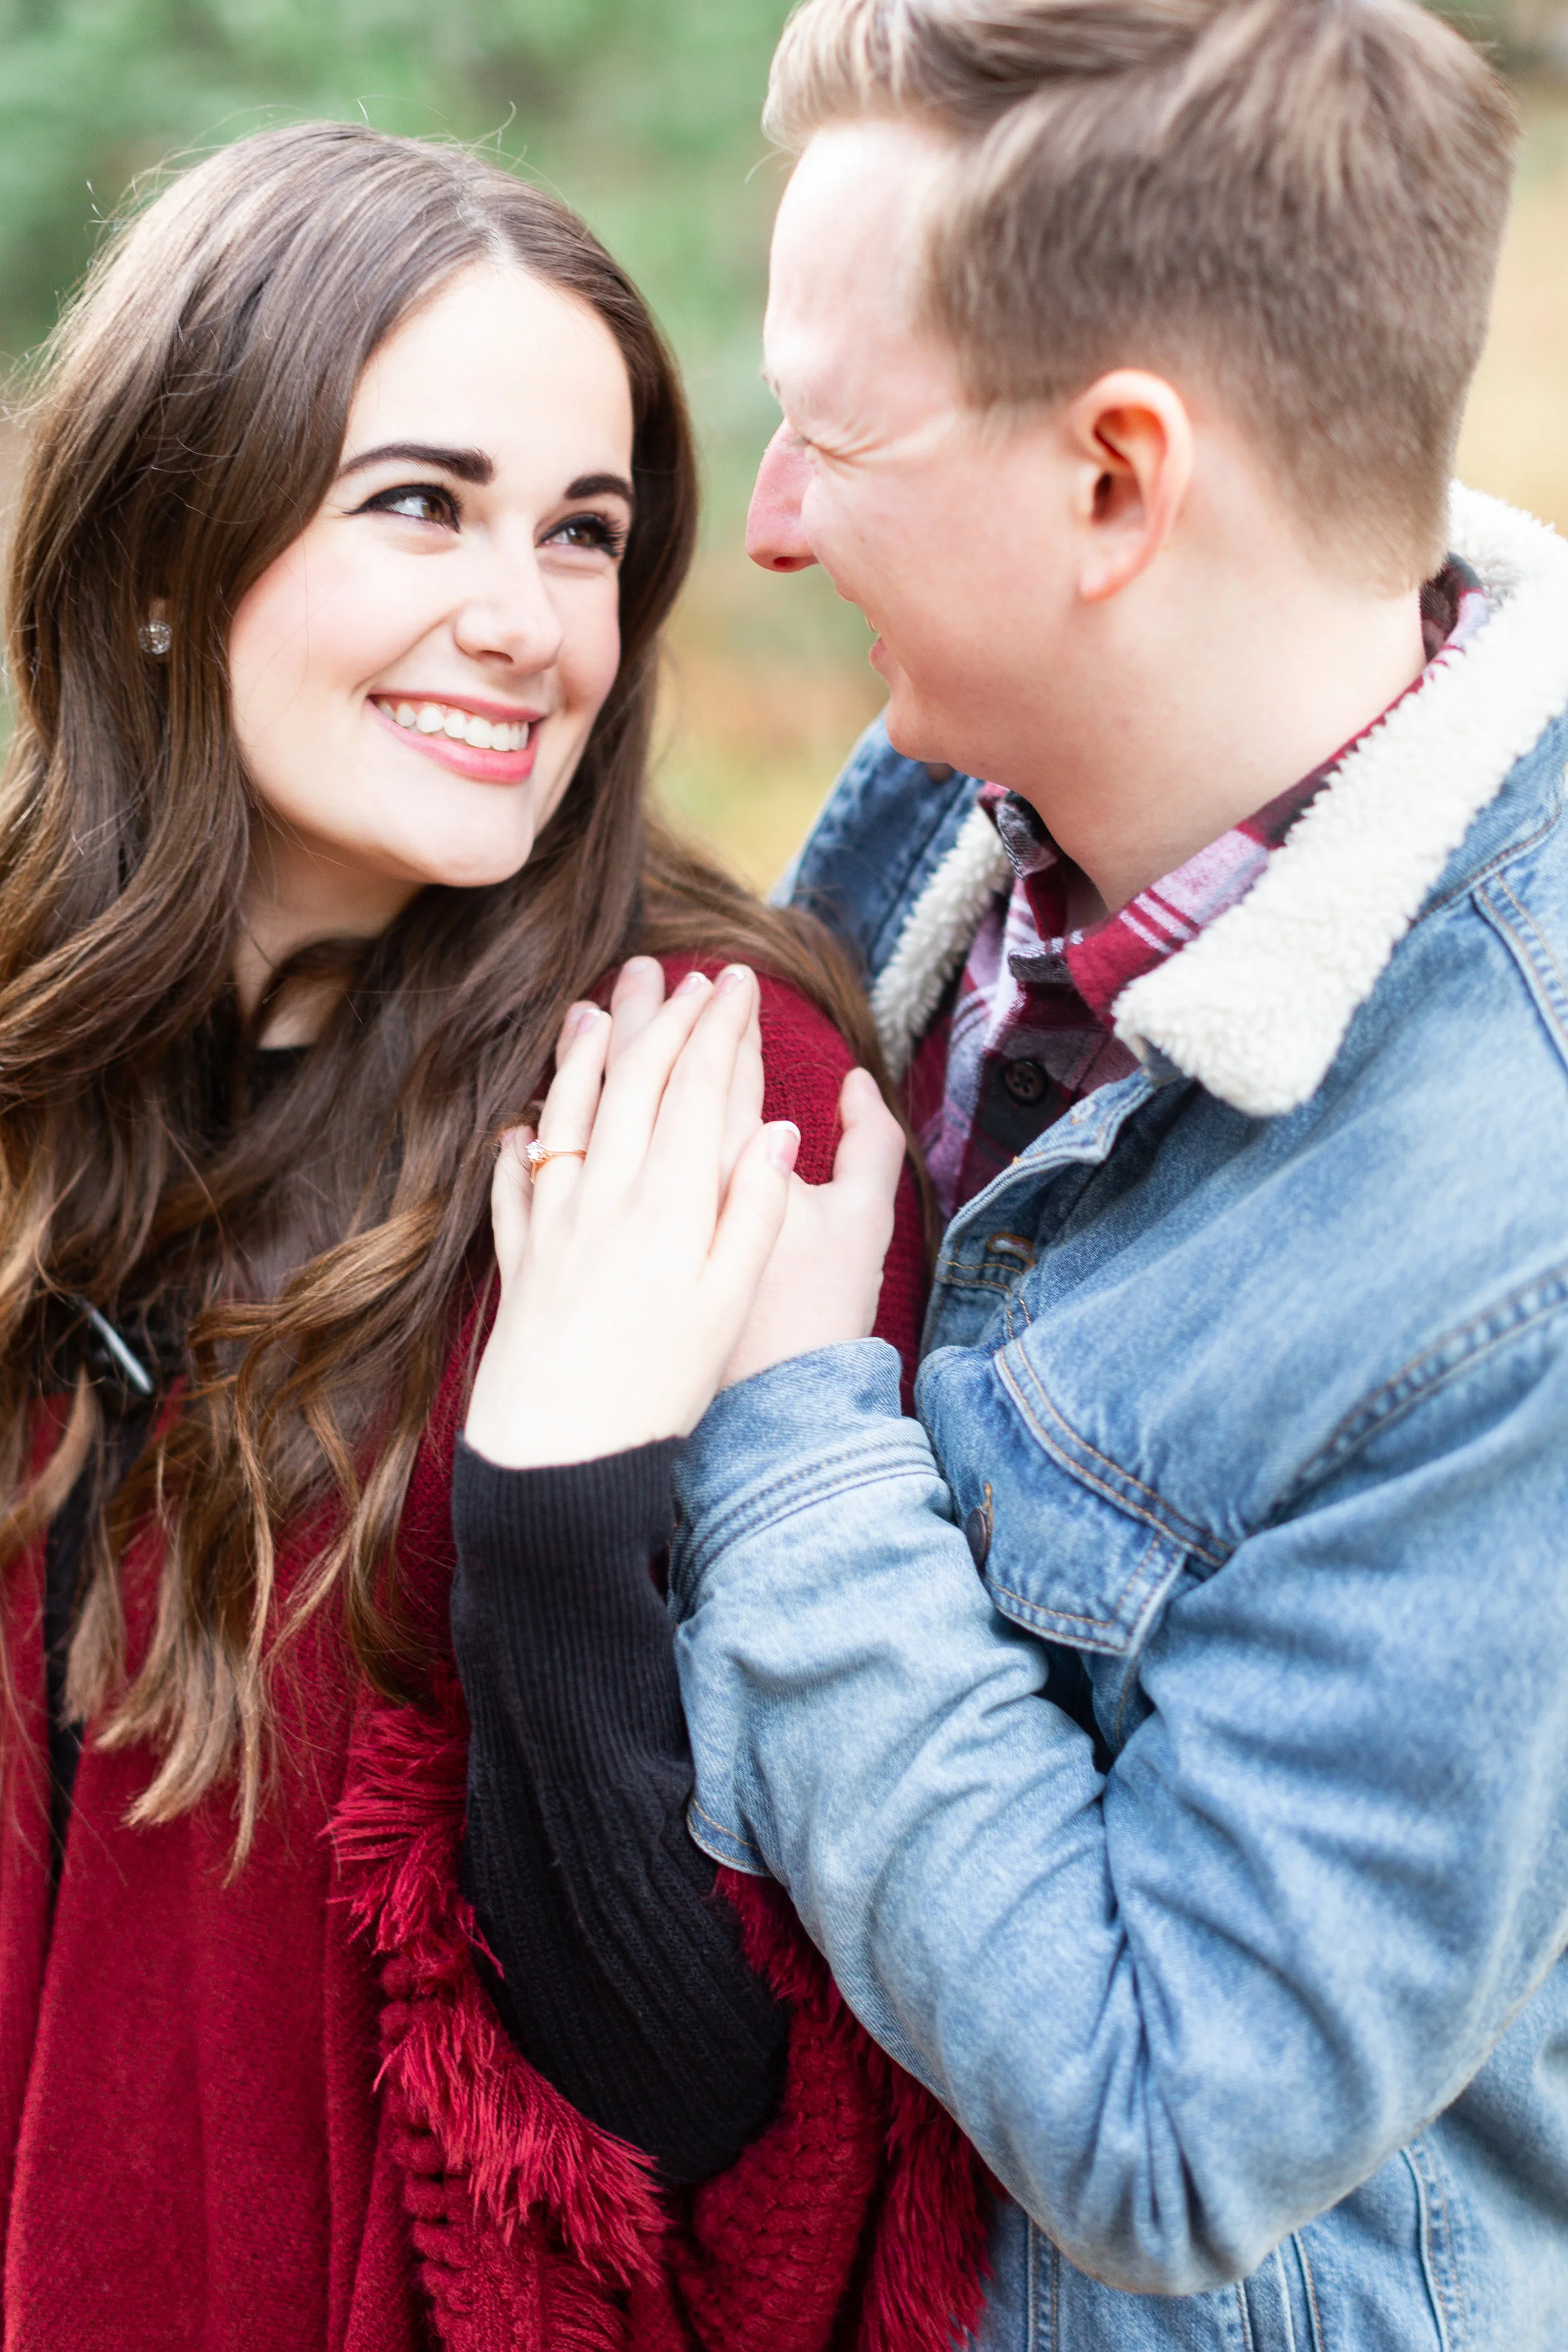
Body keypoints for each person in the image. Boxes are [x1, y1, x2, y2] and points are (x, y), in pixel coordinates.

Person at [479, 0, 1568, 2344]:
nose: (760, 522)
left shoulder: (1513, 1234)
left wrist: (787, 1431)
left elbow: (1167, 2132)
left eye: (829, 433)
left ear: (1114, 486)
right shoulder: (976, 803)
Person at [0, 121, 993, 2351]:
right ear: (171, 539)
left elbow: (737, 2145)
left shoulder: (702, 1093)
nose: (525, 620)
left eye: (584, 535)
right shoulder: (39, 1086)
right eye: (420, 503)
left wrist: (554, 1514)